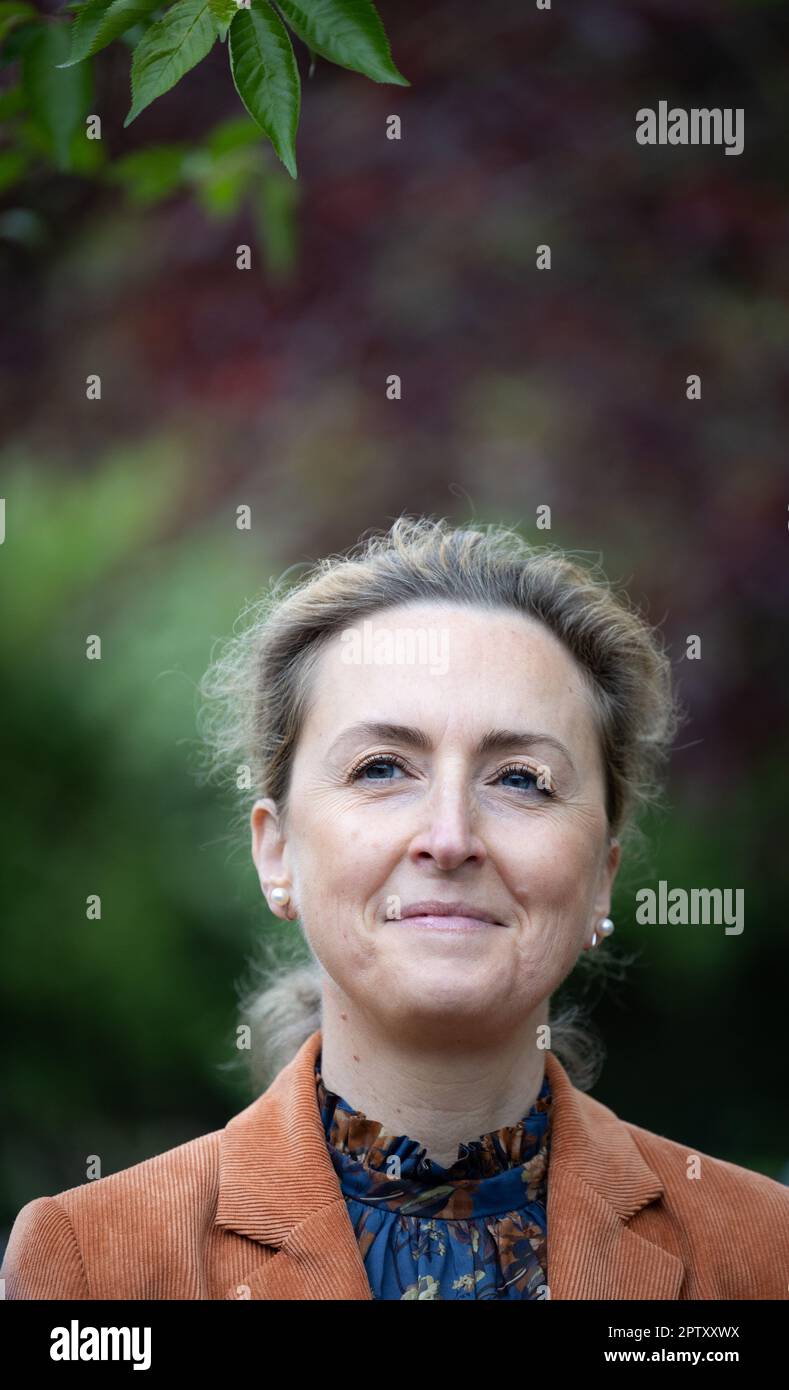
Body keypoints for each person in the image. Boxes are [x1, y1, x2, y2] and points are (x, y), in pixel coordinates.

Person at [3, 515, 787, 1300]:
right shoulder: (91, 1266)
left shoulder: (763, 1255)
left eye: (520, 779)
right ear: (276, 853)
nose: (448, 838)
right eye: (381, 768)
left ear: (601, 877)